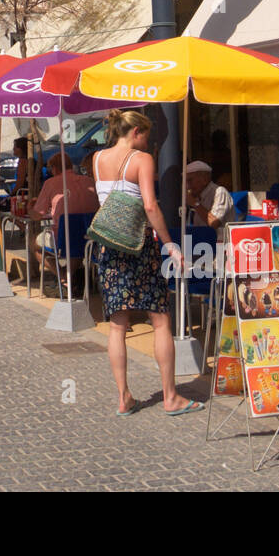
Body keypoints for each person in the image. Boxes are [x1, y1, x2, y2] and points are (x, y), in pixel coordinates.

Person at [92, 109, 200, 418]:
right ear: (137, 132)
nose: (148, 141)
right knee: (161, 320)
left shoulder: (97, 160)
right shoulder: (141, 160)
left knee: (117, 325)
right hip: (140, 247)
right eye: (147, 135)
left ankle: (124, 396)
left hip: (110, 248)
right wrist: (169, 244)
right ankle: (170, 396)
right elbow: (150, 206)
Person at [29, 152, 99, 284]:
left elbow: (37, 216)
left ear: (54, 168)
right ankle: (69, 275)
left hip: (63, 239)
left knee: (34, 243)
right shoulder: (89, 182)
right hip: (90, 239)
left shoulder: (50, 183)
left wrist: (29, 207)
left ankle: (62, 276)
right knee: (77, 244)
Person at [185, 159, 233, 239]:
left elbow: (213, 223)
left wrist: (195, 204)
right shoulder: (197, 195)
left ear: (204, 180)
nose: (187, 185)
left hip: (220, 245)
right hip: (201, 243)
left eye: (190, 180)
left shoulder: (219, 192)